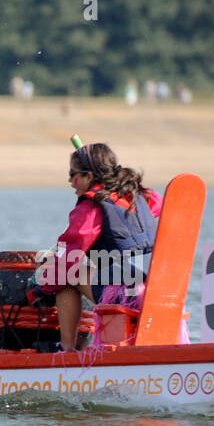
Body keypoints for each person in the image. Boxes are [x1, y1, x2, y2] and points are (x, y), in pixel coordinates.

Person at [30, 142, 161, 351]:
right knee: (84, 270)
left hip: (125, 296)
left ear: (89, 177)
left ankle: (67, 350)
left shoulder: (90, 206)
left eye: (73, 174)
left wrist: (41, 289)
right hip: (154, 291)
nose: (70, 181)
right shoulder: (139, 195)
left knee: (67, 276)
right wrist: (120, 181)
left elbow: (67, 259)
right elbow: (157, 202)